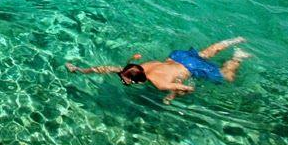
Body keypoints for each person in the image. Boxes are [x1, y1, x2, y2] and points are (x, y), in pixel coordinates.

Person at [66, 37, 251, 103]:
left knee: (227, 77)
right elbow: (107, 69)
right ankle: (232, 41)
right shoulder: (141, 67)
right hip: (178, 56)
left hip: (190, 67)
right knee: (204, 53)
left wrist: (172, 96)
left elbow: (188, 88)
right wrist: (81, 70)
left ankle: (237, 57)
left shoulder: (159, 83)